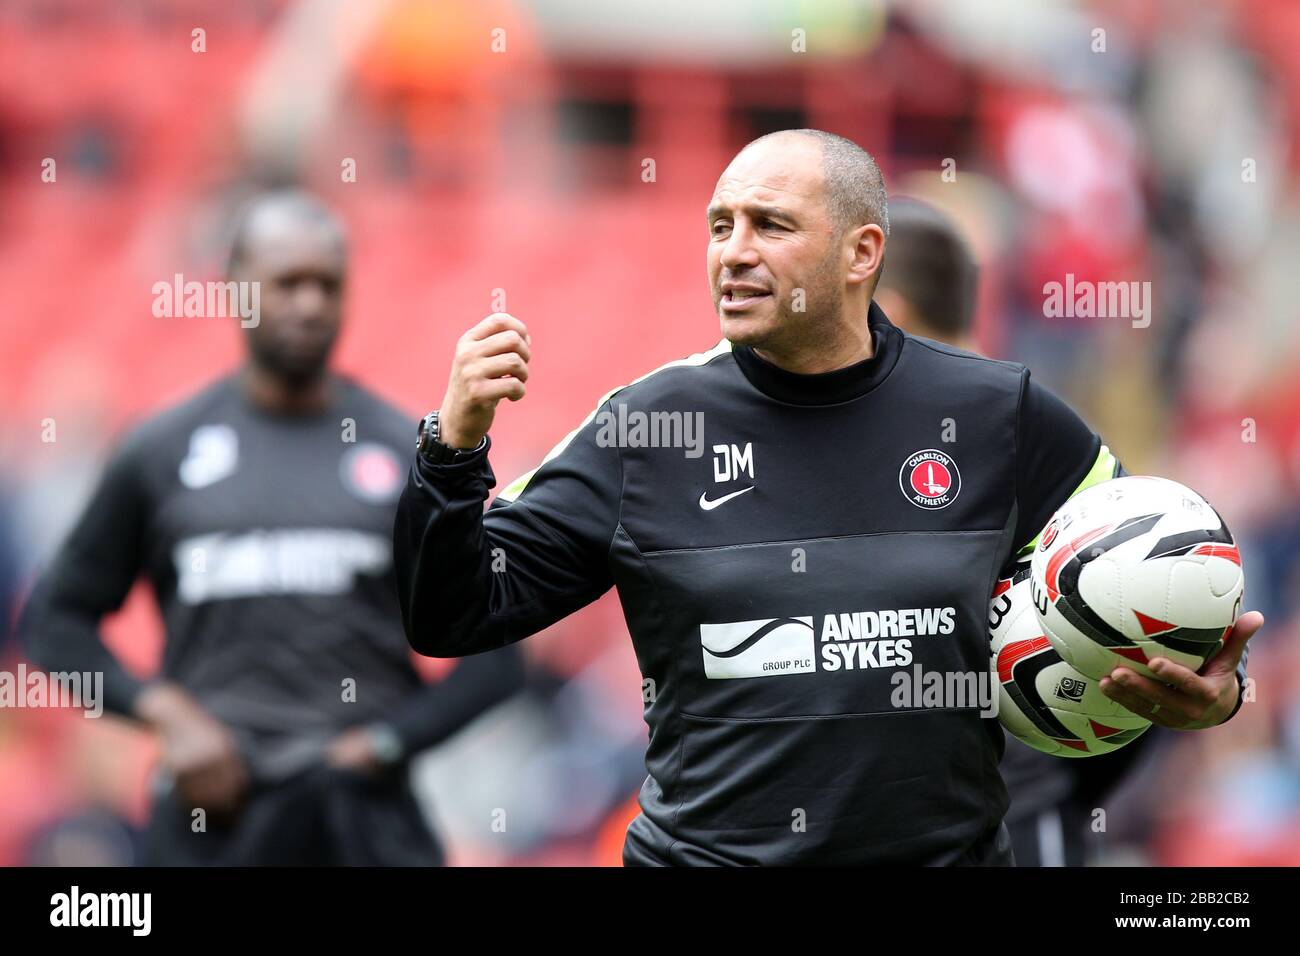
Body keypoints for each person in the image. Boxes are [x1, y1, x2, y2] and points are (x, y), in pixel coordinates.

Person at [393, 130, 1261, 866]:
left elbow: (1145, 577)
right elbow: (452, 614)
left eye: (770, 225)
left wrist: (1216, 692)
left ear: (862, 254)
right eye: (720, 225)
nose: (734, 250)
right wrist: (452, 447)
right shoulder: (647, 428)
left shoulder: (999, 415)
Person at [19, 191, 523, 866]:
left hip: (362, 824)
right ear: (236, 288)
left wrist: (385, 745)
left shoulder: (409, 456)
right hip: (213, 823)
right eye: (287, 283)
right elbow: (55, 620)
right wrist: (166, 715)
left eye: (328, 285)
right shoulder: (162, 452)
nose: (310, 304)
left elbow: (498, 650)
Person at [876, 196, 1197, 866]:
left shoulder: (1028, 446)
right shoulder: (1040, 434)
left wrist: (1049, 780)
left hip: (1010, 825)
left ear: (889, 310)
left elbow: (1168, 622)